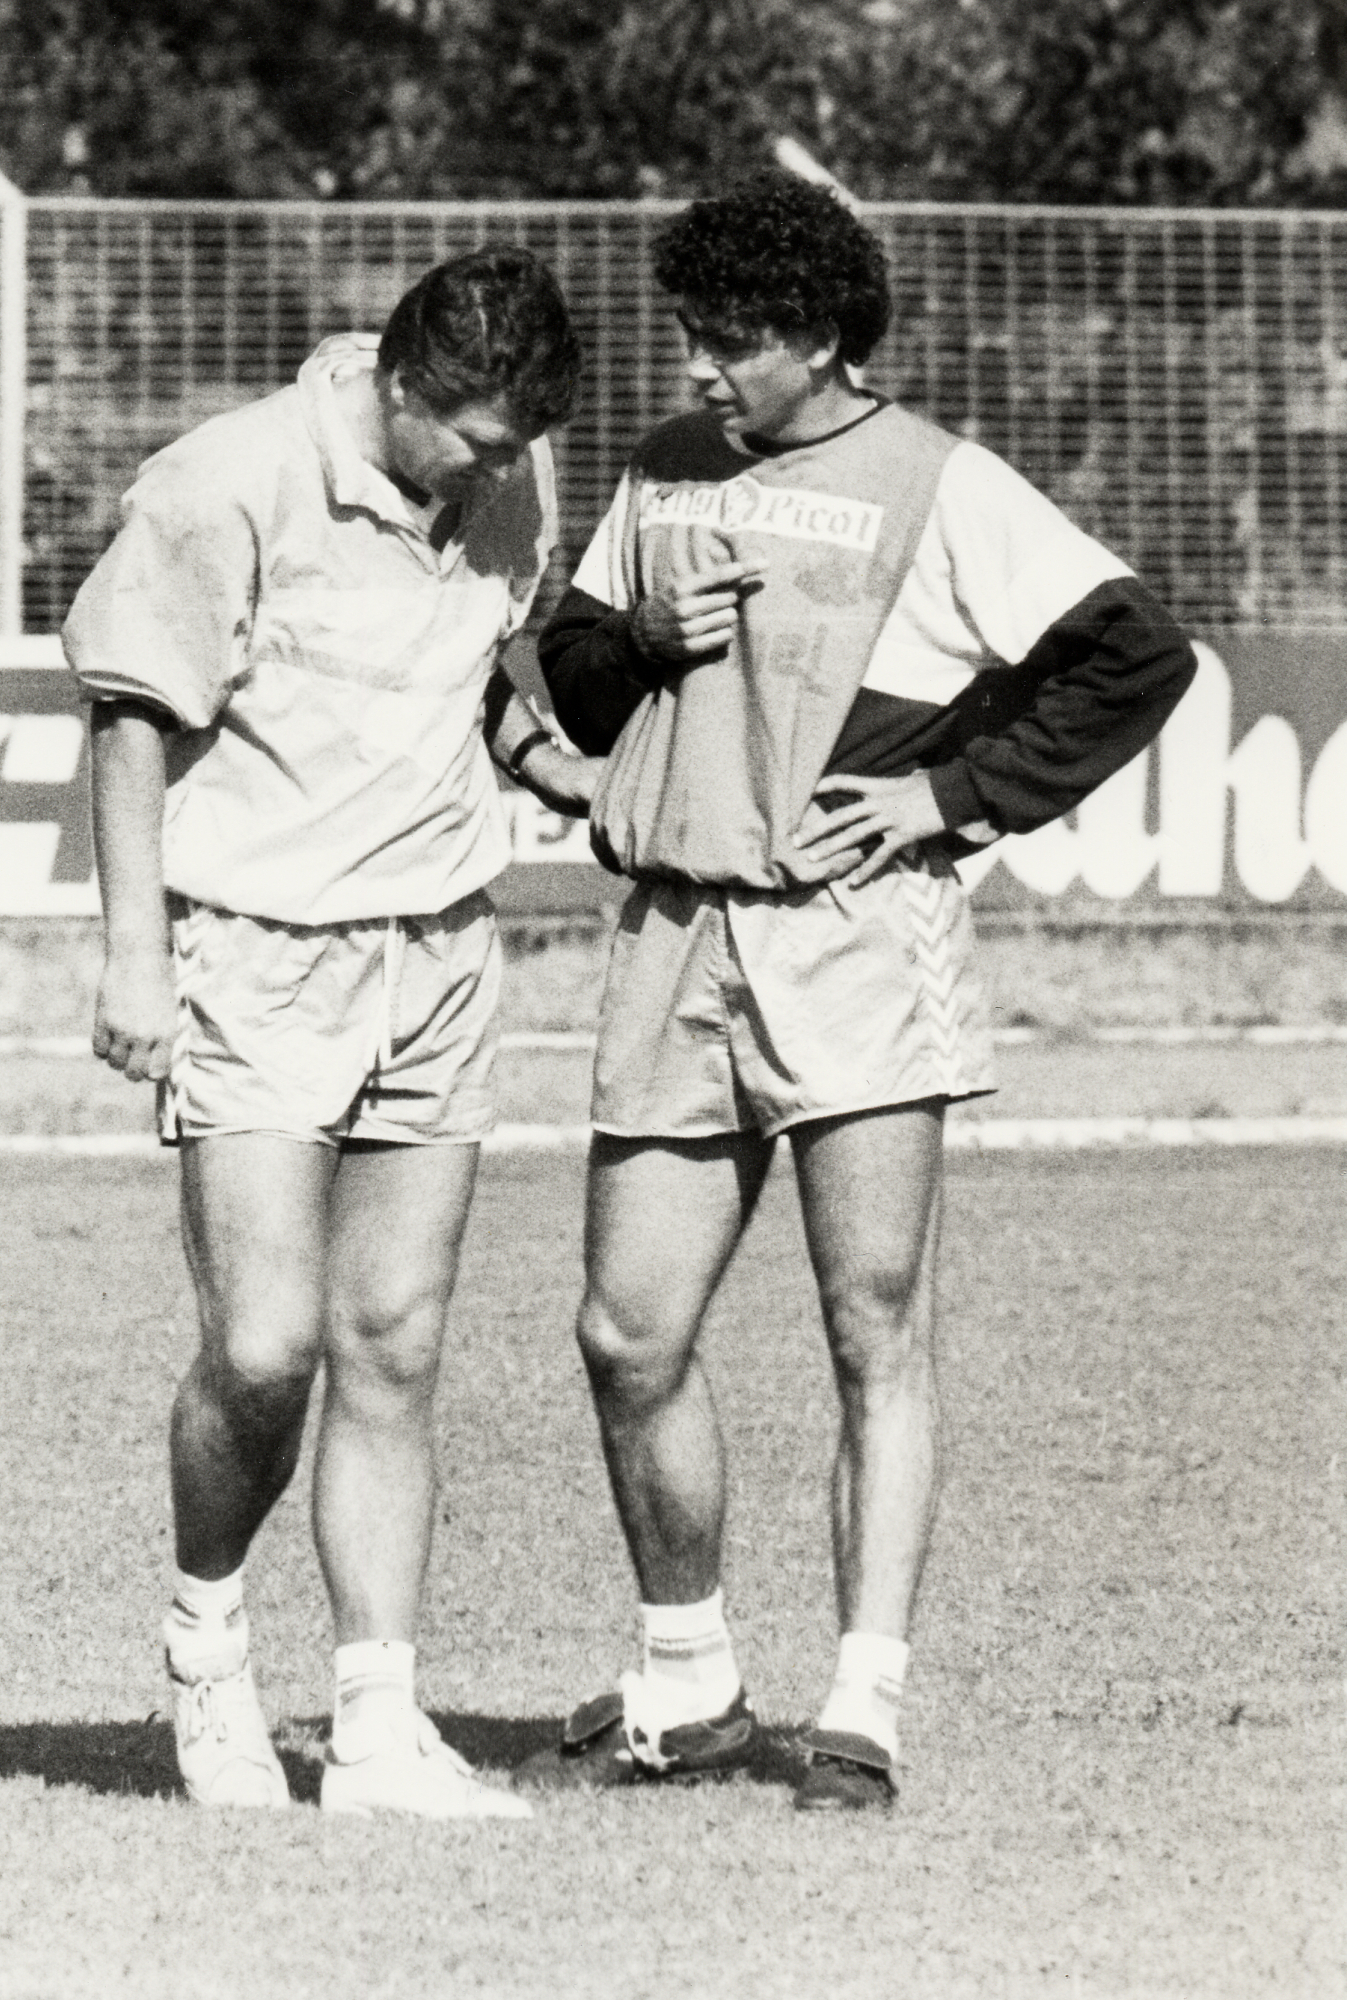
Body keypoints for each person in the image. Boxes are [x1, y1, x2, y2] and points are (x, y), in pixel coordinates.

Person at [522, 172, 1197, 1811]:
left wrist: (949, 799)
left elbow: (1137, 653)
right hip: (676, 931)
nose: (696, 370)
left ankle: (862, 1707)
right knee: (626, 1332)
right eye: (687, 334)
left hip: (850, 937)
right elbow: (585, 678)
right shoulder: (665, 470)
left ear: (818, 339)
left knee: (869, 1324)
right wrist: (648, 635)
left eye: (729, 342)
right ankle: (687, 1686)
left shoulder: (941, 484)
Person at [64, 247, 592, 1820]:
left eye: (518, 445)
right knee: (263, 1342)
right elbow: (131, 721)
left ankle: (374, 1725)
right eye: (478, 439)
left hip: (437, 954)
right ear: (401, 384)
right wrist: (135, 957)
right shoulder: (228, 481)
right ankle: (210, 1655)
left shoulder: (510, 482)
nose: (500, 472)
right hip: (254, 954)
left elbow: (475, 678)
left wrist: (548, 759)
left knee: (396, 1347)